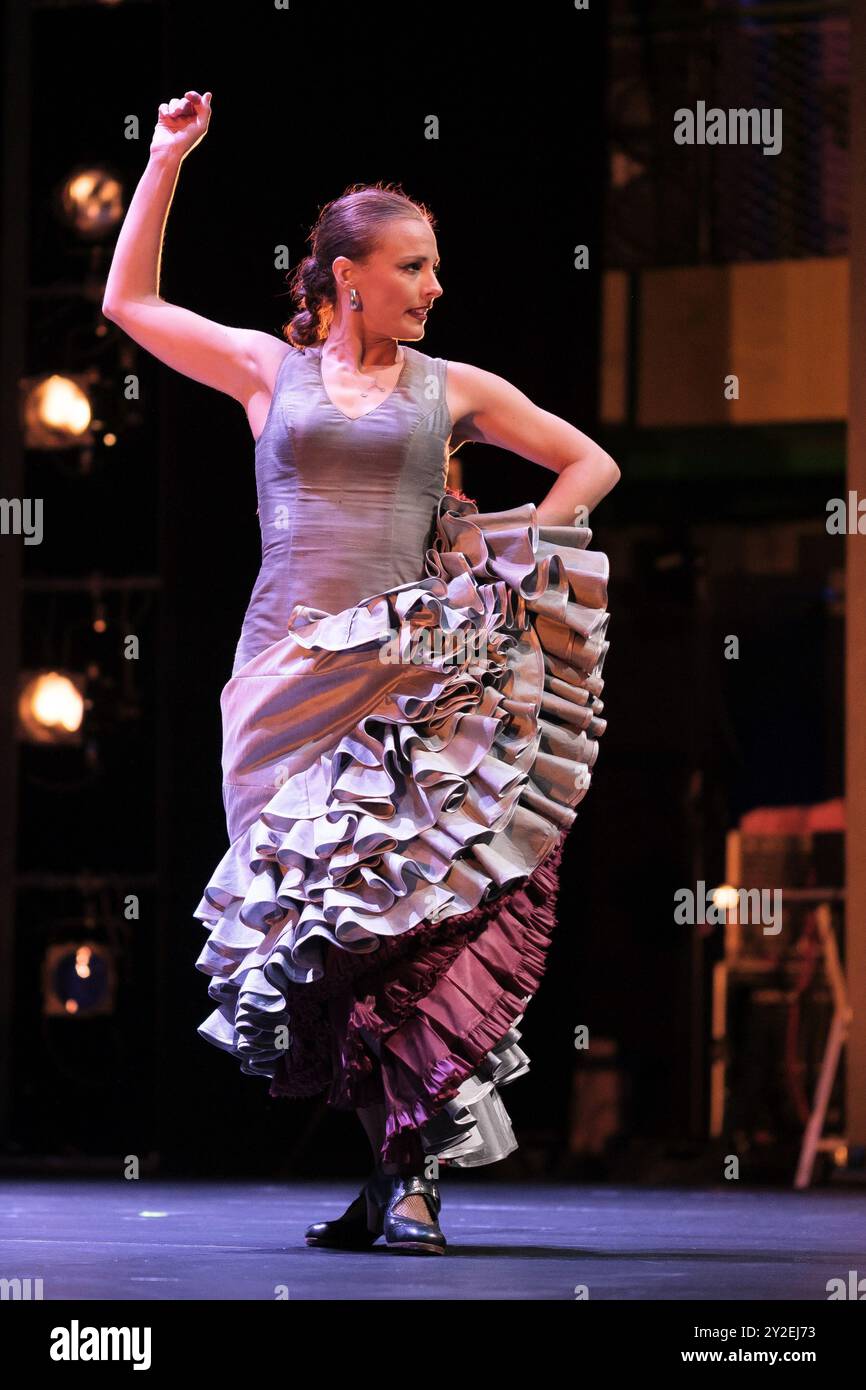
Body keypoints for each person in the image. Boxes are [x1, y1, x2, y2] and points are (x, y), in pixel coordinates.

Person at [102, 90, 620, 1256]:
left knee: (413, 925)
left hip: (405, 682)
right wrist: (166, 157)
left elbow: (588, 461)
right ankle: (388, 1171)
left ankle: (411, 1174)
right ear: (346, 276)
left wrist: (506, 555)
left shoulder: (451, 389)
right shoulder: (265, 371)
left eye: (432, 267)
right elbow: (128, 301)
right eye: (412, 267)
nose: (432, 286)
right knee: (323, 937)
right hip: (283, 681)